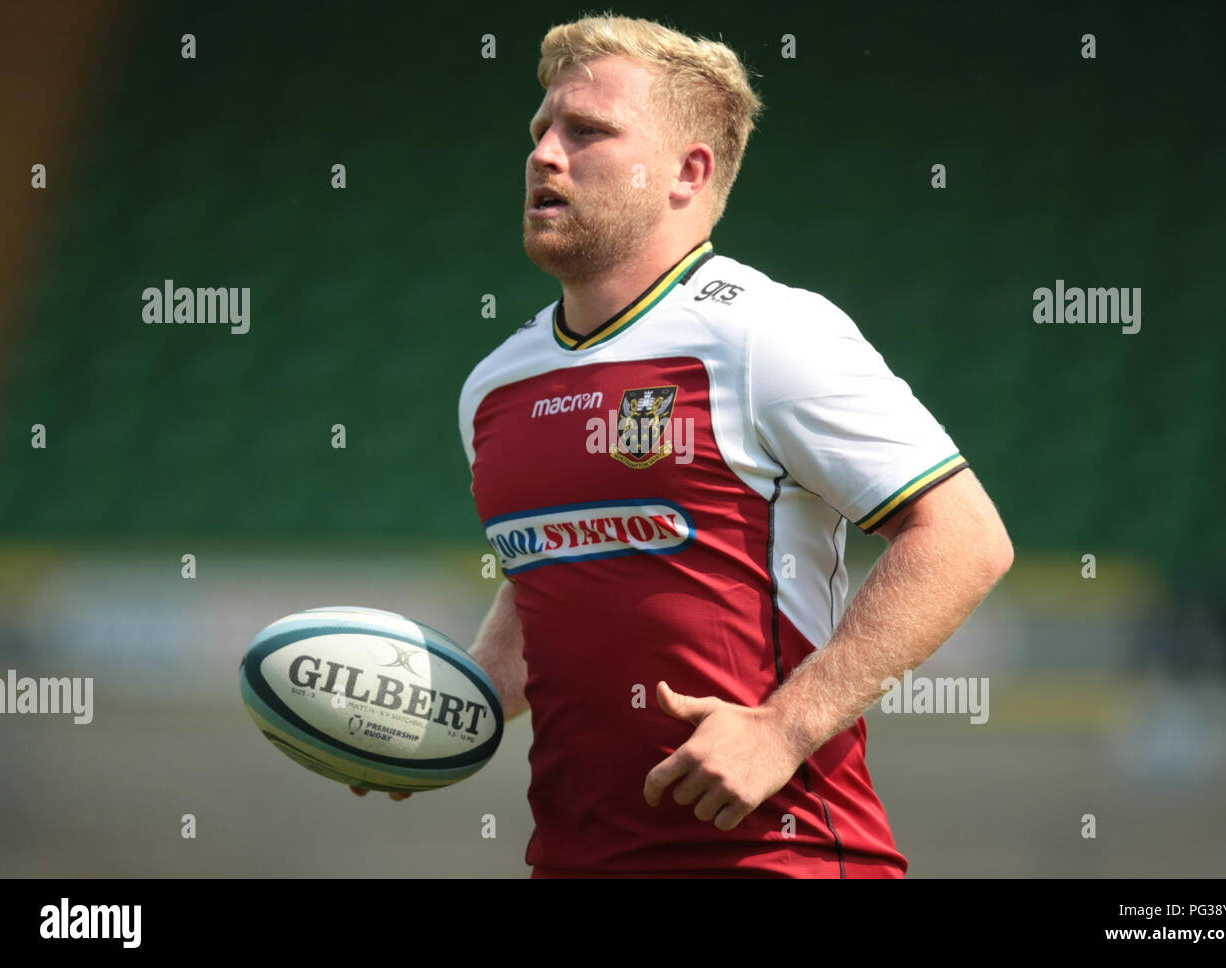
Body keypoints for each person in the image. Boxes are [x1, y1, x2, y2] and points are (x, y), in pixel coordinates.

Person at [363, 14, 1013, 878]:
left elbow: (965, 539)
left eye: (587, 131)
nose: (545, 154)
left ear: (688, 171)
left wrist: (784, 728)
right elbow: (548, 582)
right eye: (542, 130)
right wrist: (453, 709)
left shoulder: (769, 334)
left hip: (782, 861)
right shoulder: (494, 386)